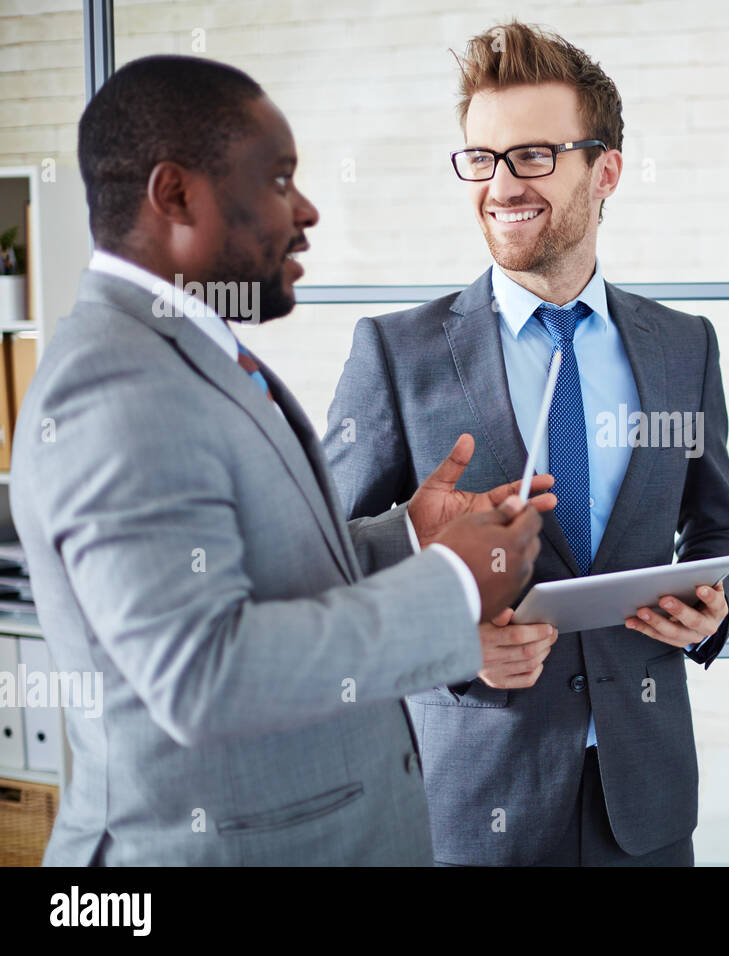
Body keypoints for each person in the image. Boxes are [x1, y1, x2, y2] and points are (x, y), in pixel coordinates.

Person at [11, 54, 553, 865]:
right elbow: (202, 675)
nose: (306, 211)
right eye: (278, 181)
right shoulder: (117, 388)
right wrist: (449, 584)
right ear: (175, 194)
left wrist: (405, 538)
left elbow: (251, 575)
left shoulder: (187, 347)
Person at [324, 21, 729, 866]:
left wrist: (715, 608)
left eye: (531, 156)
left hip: (648, 803)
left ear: (606, 172)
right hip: (477, 804)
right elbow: (329, 570)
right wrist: (451, 646)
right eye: (480, 158)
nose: (499, 184)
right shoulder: (395, 353)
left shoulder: (683, 346)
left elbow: (721, 528)